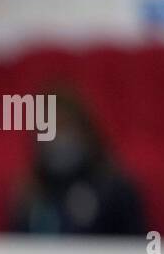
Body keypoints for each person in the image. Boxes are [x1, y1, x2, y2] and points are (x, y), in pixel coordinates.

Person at [9, 89, 146, 236]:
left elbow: (136, 248)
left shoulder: (114, 189)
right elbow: (15, 250)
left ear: (83, 130)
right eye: (46, 128)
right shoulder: (29, 192)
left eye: (62, 125)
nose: (55, 136)